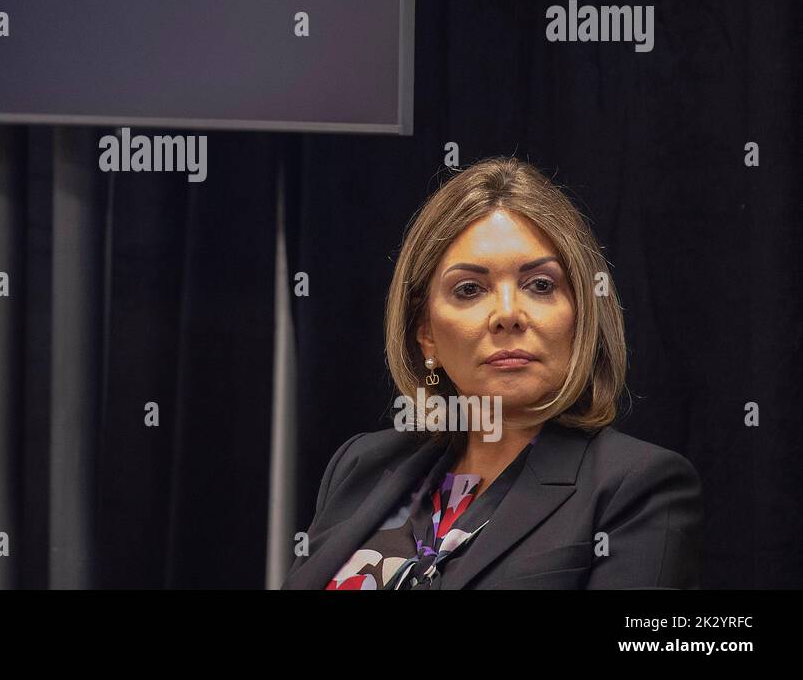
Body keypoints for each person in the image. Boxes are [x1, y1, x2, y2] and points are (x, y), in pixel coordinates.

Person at [283, 156, 702, 590]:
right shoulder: (361, 464)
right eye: (470, 289)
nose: (507, 314)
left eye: (540, 284)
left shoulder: (638, 487)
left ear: (583, 314)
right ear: (426, 335)